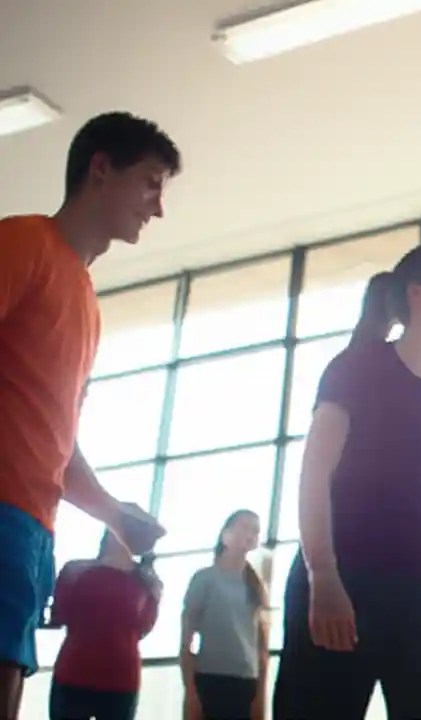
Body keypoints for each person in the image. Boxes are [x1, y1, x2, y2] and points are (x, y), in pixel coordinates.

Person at [0, 111, 174, 717]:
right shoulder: (22, 242)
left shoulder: (87, 305)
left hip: (30, 529)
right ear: (101, 169)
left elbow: (55, 437)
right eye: (151, 183)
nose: (157, 208)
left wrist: (114, 515)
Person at [272, 242, 421, 720]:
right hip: (343, 579)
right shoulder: (355, 368)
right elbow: (314, 475)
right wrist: (323, 574)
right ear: (416, 291)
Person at [46, 518, 162, 720]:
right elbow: (59, 614)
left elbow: (143, 627)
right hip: (76, 671)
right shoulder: (75, 570)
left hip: (119, 677)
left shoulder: (147, 582)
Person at [179, 510, 269, 720]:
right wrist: (191, 693)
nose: (250, 534)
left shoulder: (255, 586)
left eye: (255, 530)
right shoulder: (203, 579)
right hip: (209, 680)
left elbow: (261, 649)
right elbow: (186, 642)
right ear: (225, 534)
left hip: (246, 682)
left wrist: (260, 696)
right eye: (244, 527)